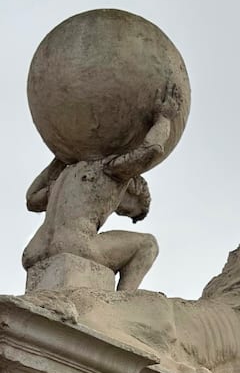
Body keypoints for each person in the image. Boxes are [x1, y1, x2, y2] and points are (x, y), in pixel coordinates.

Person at [22, 84, 181, 292]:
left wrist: (59, 158)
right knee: (148, 244)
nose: (117, 210)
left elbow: (32, 200)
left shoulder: (68, 173)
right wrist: (164, 118)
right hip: (74, 244)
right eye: (126, 210)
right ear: (133, 191)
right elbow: (151, 149)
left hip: (34, 250)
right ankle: (122, 301)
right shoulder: (114, 171)